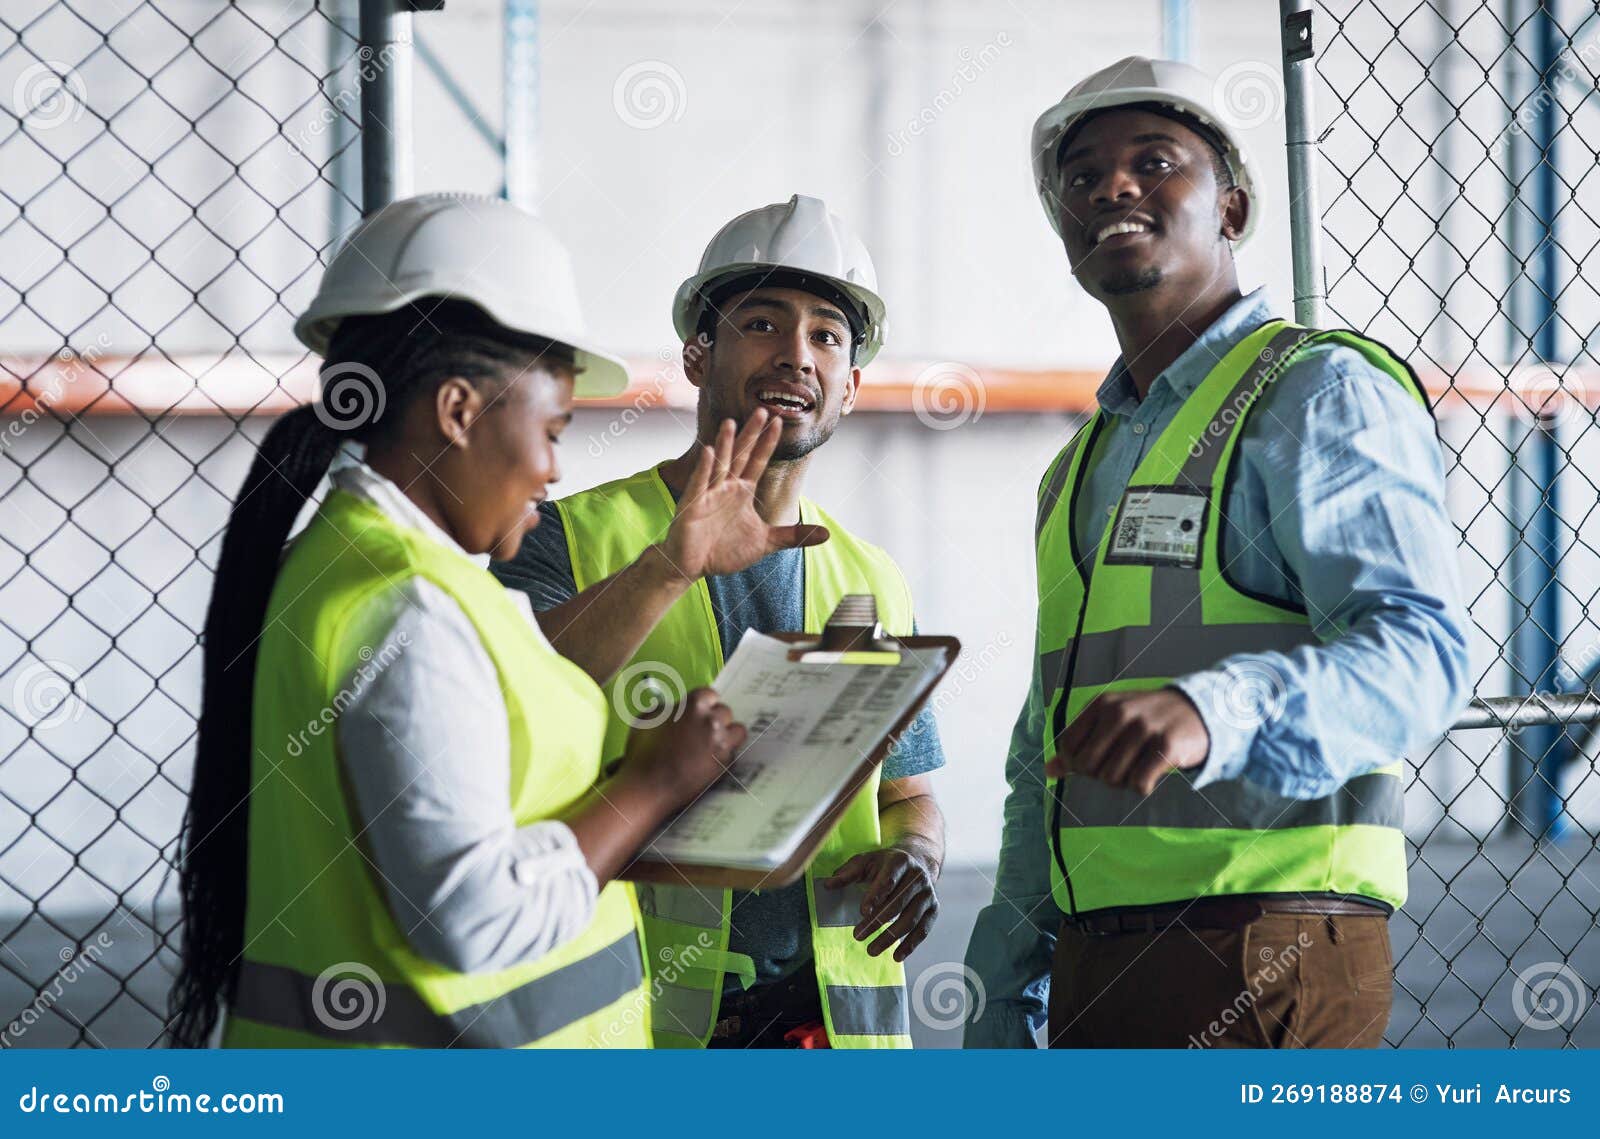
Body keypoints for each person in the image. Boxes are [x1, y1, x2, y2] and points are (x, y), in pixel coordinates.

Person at [169, 192, 813, 1048]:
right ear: (459, 411)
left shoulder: (366, 567)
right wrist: (652, 784)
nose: (552, 470)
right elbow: (476, 918)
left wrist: (670, 566)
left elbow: (503, 726)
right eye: (551, 429)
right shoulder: (409, 607)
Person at [964, 57, 1471, 1049]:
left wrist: (1216, 707)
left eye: (1155, 161)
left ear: (1230, 207)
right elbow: (1045, 747)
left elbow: (1422, 655)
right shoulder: (1080, 466)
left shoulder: (1314, 393)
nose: (1111, 186)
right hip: (1094, 958)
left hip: (1267, 946)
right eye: (1081, 177)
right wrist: (1004, 973)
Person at [494, 195, 946, 1049]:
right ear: (698, 357)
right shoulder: (564, 536)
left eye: (827, 336)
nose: (796, 354)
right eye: (763, 323)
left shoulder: (873, 579)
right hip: (639, 1027)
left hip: (830, 1035)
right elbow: (507, 707)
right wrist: (668, 566)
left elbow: (910, 796)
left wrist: (916, 856)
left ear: (852, 385)